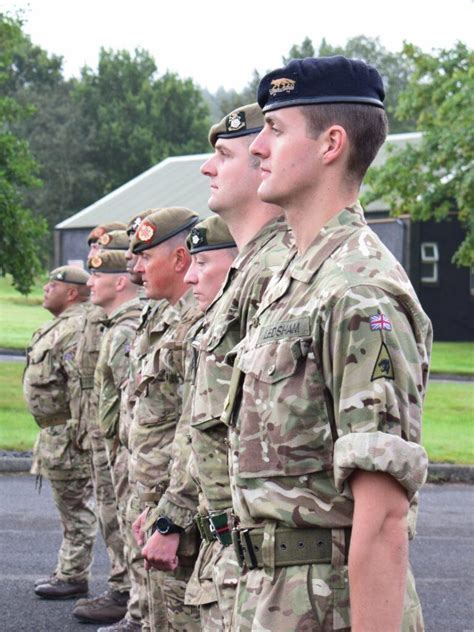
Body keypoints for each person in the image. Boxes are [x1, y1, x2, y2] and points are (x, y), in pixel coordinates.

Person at [225, 56, 432, 631]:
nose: (259, 147)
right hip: (269, 601)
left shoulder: (360, 289)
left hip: (325, 609)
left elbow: (385, 516)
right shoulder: (295, 278)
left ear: (331, 143)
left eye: (277, 129)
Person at [140, 103, 292, 630]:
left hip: (264, 568)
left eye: (221, 155)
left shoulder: (280, 277)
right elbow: (206, 426)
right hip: (227, 552)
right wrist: (173, 511)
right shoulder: (248, 279)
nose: (206, 168)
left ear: (260, 160)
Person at [130, 207, 203, 631]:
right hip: (156, 502)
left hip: (182, 516)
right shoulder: (165, 319)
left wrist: (170, 516)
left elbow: (194, 429)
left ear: (179, 260)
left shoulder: (195, 325)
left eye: (146, 257)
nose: (137, 269)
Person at [73, 250, 142, 629]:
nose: (88, 284)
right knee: (113, 518)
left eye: (96, 276)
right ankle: (127, 595)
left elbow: (132, 400)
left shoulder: (128, 328)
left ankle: (135, 604)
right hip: (112, 444)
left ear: (119, 282)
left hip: (128, 448)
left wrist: (119, 448)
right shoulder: (116, 325)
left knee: (127, 522)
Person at [24, 266, 97, 599]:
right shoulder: (60, 327)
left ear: (71, 292)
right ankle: (68, 570)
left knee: (76, 507)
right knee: (69, 507)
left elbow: (82, 388)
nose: (44, 288)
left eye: (52, 284)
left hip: (68, 435)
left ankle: (73, 575)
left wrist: (81, 436)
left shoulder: (75, 329)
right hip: (55, 433)